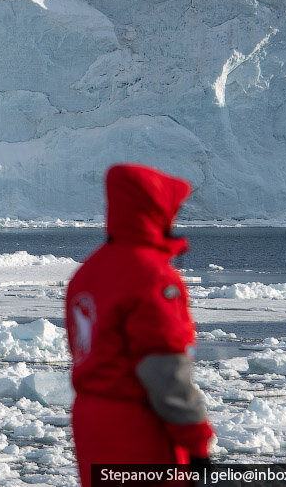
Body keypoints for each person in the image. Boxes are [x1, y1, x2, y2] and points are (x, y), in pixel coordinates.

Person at [65, 164, 214, 485]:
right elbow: (165, 370)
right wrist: (197, 442)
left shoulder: (86, 274)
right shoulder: (151, 276)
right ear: (156, 210)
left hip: (92, 427)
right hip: (138, 429)